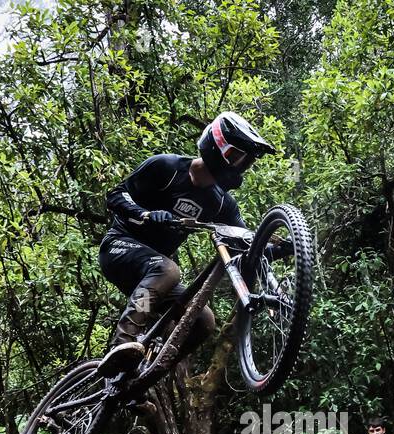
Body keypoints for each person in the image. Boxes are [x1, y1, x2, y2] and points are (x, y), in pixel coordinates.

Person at [96, 112, 276, 378]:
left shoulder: (221, 203)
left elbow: (245, 238)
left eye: (246, 161)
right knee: (168, 269)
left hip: (154, 274)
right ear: (218, 146)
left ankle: (147, 373)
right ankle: (122, 344)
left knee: (203, 321)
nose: (241, 165)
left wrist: (275, 248)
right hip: (119, 248)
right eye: (238, 156)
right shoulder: (166, 168)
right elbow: (116, 195)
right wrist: (144, 214)